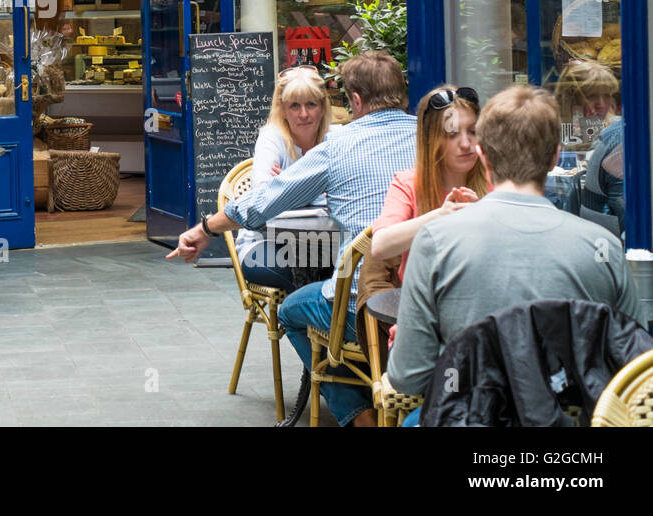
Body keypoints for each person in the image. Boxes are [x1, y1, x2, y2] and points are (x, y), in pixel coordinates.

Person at [169, 50, 417, 427]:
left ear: (353, 101)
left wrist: (204, 228)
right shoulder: (432, 137)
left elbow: (259, 204)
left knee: (291, 311)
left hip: (361, 308)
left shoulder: (337, 146)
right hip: (430, 299)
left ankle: (359, 415)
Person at [385, 85, 640, 413]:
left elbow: (408, 376)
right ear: (553, 157)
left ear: (484, 155)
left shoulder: (435, 241)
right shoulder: (602, 248)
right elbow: (632, 370)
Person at [362, 85, 488, 347]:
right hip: (428, 321)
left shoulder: (493, 182)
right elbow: (381, 245)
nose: (466, 143)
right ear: (431, 139)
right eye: (452, 134)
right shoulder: (408, 184)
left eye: (472, 131)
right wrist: (439, 216)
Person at [236, 67, 332, 293]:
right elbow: (262, 199)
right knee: (308, 277)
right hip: (265, 241)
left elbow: (350, 194)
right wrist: (320, 190)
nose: (304, 114)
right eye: (294, 106)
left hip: (326, 241)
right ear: (283, 109)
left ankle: (315, 323)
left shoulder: (335, 137)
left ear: (323, 107)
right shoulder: (272, 137)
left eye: (311, 104)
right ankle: (307, 320)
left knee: (351, 265)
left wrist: (288, 186)